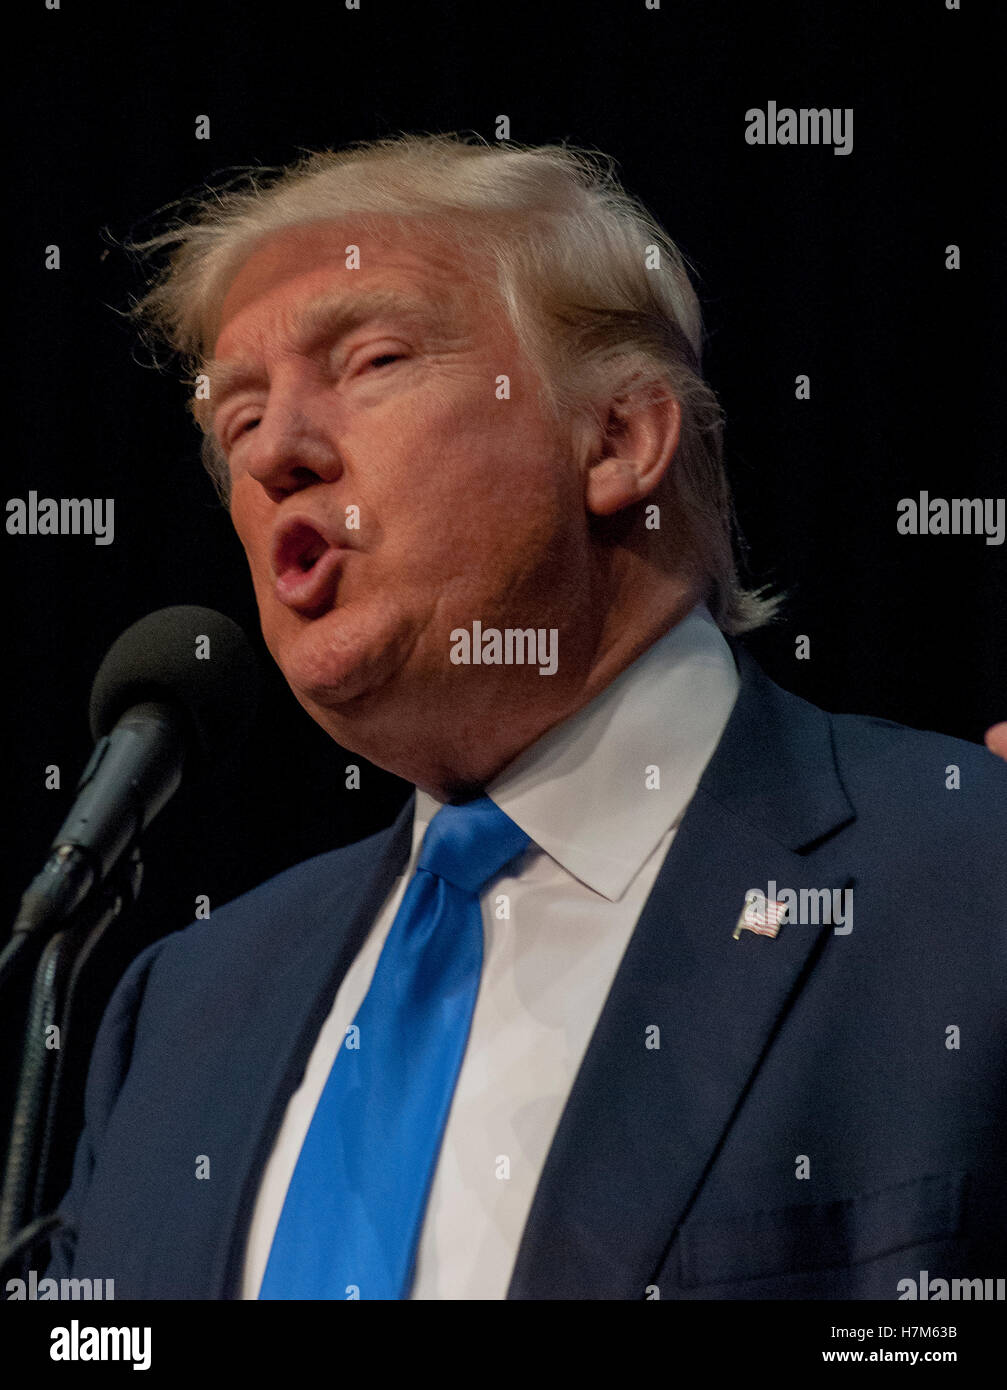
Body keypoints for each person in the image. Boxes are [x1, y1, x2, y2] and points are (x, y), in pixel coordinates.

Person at [43, 133, 1006, 1299]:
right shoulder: (178, 1013)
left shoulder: (964, 880)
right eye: (238, 422)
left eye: (374, 359)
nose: (277, 456)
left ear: (614, 438)